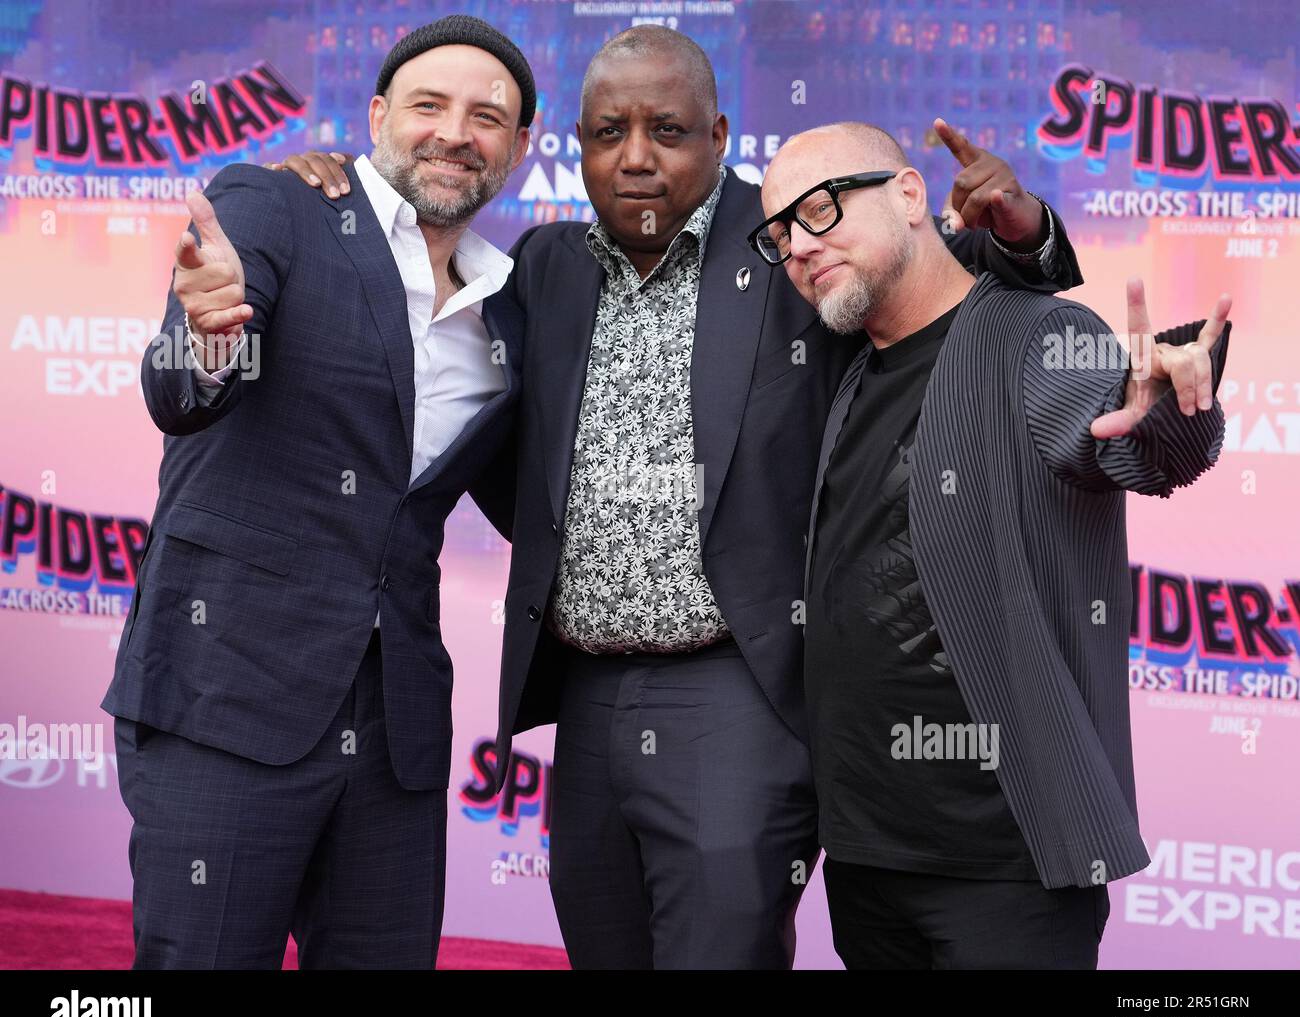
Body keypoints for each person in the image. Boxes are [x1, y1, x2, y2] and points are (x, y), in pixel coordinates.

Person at [277, 25, 1079, 969]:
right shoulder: (542, 269)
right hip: (583, 692)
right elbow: (466, 391)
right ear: (575, 145)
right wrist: (334, 191)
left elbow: (930, 289)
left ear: (720, 134)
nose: (637, 157)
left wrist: (1025, 237)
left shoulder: (790, 242)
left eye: (668, 128)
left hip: (736, 684)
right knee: (602, 942)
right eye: (609, 131)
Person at [99, 15, 533, 969]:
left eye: (487, 116)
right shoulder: (276, 205)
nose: (456, 131)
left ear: (520, 145)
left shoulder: (510, 305)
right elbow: (180, 386)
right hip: (227, 695)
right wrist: (211, 333)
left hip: (397, 736)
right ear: (379, 115)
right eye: (429, 105)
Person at [754, 121, 1232, 969]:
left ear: (909, 197)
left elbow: (1125, 440)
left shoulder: (1037, 338)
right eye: (781, 232)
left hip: (1008, 867)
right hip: (865, 856)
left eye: (821, 209)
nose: (800, 244)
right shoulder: (847, 362)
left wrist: (1167, 409)